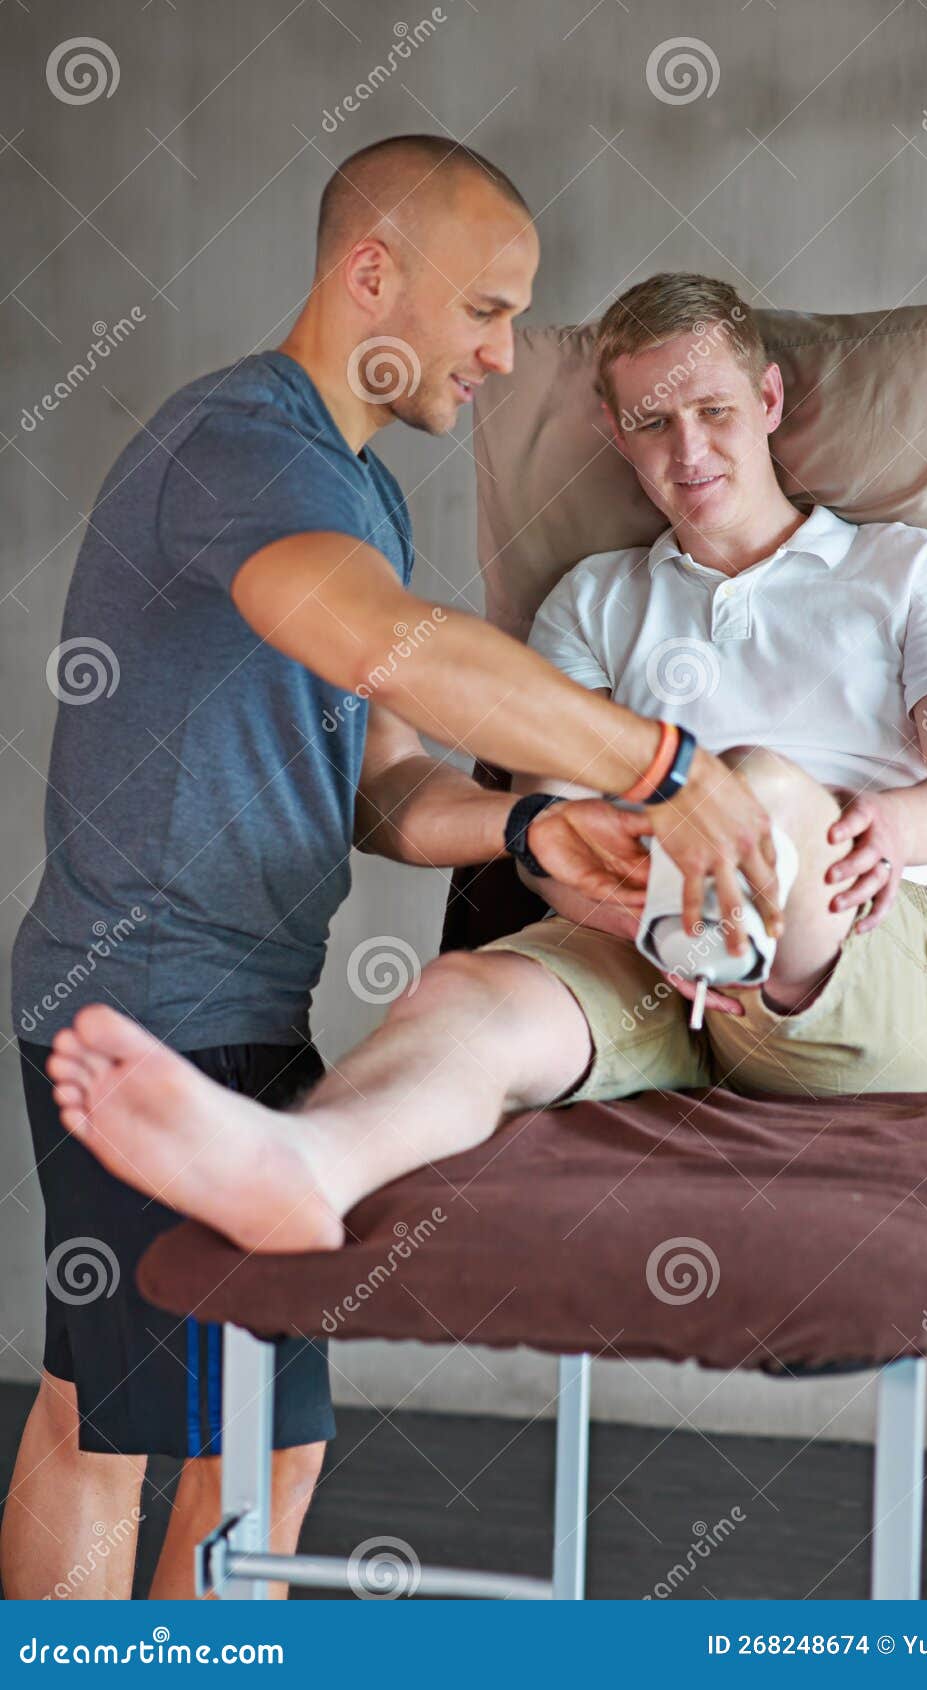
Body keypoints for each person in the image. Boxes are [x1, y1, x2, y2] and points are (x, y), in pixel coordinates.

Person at [6, 142, 781, 1604]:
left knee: (267, 1449)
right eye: (484, 309)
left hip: (241, 1007)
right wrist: (662, 769)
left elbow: (385, 789)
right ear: (372, 276)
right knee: (112, 1431)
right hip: (146, 1001)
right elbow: (383, 644)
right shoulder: (239, 447)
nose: (502, 352)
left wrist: (528, 826)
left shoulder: (361, 496)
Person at [43, 271, 927, 1274]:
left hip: (845, 934)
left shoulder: (907, 569)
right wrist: (619, 916)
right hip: (643, 937)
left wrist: (892, 832)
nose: (686, 451)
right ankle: (306, 1161)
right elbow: (545, 828)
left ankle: (741, 892)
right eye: (651, 423)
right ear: (612, 429)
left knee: (754, 786)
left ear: (767, 401)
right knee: (462, 992)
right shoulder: (592, 600)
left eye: (713, 411)